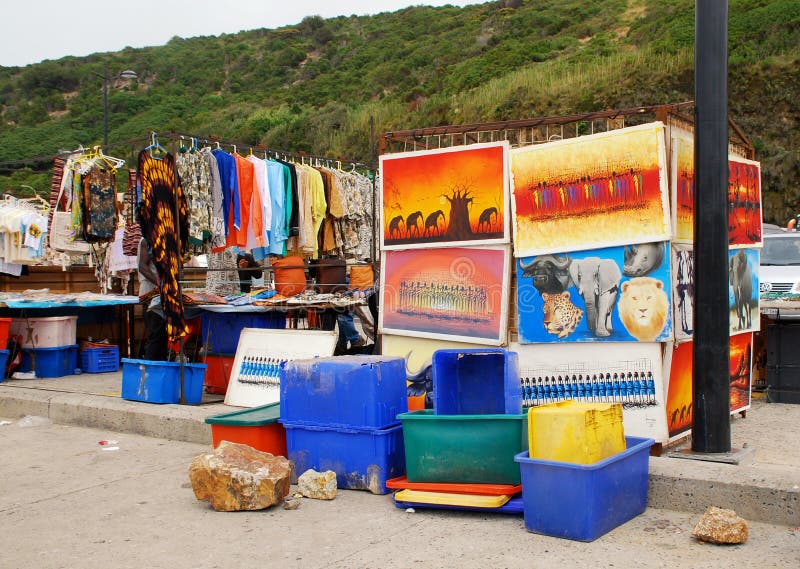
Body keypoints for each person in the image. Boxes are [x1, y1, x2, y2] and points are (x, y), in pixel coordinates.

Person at [138, 238, 167, 361]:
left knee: (161, 335)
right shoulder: (147, 239)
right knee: (156, 334)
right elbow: (142, 266)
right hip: (150, 292)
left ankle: (159, 369)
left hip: (159, 292)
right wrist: (159, 283)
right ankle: (150, 371)